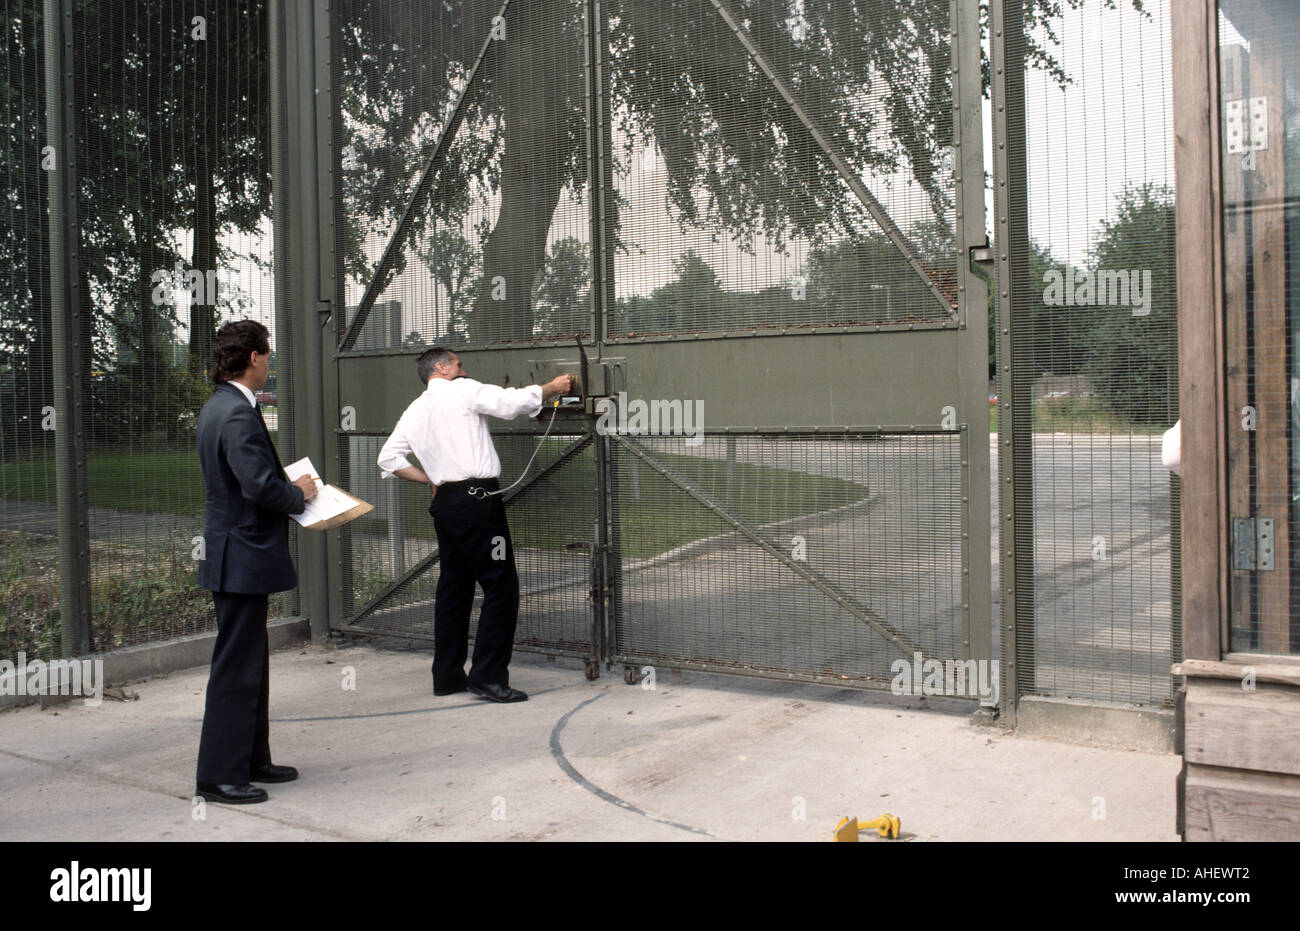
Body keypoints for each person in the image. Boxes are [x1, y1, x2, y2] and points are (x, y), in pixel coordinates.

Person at [377, 347, 574, 703]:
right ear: (442, 367)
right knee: (501, 586)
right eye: (458, 363)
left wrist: (429, 479)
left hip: (447, 504)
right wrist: (552, 387)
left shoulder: (416, 409)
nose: (463, 369)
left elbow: (389, 458)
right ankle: (488, 676)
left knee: (454, 588)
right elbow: (507, 403)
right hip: (480, 502)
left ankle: (448, 675)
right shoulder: (464, 389)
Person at [194, 320, 318, 804]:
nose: (270, 363)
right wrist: (299, 493)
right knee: (236, 666)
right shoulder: (238, 414)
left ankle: (250, 759)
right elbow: (258, 487)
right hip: (240, 555)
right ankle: (219, 776)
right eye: (267, 355)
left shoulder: (219, 407)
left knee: (251, 662)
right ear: (252, 358)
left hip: (235, 552)